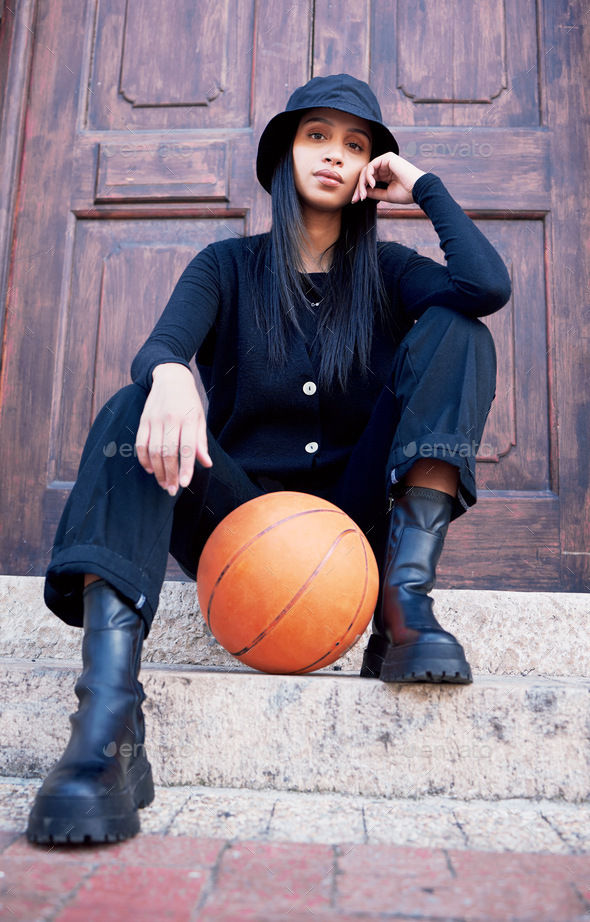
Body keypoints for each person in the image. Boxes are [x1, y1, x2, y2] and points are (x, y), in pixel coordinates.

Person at [26, 74, 511, 844]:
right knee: (134, 406)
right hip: (239, 518)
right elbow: (160, 344)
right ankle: (108, 725)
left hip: (358, 523)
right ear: (283, 154)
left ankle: (405, 609)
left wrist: (417, 181)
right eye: (316, 136)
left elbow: (486, 286)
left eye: (357, 146)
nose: (334, 155)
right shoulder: (227, 264)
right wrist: (171, 376)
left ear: (369, 174)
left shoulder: (390, 273)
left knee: (460, 332)